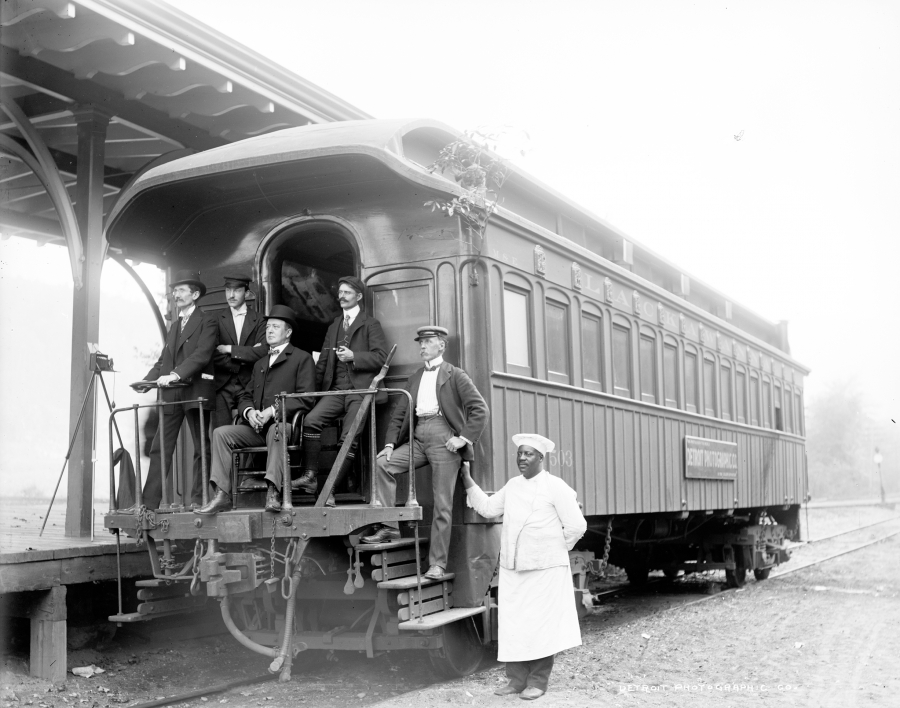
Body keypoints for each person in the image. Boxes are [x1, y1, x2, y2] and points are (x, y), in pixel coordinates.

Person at [461, 434, 587, 701]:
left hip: (545, 570)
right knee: (514, 624)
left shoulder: (555, 486)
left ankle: (538, 681)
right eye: (519, 453)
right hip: (514, 569)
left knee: (541, 625)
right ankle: (516, 680)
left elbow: (577, 526)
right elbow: (487, 508)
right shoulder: (513, 486)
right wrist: (468, 479)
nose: (522, 458)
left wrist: (554, 549)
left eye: (528, 454)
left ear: (541, 458)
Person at [365, 326, 488, 580]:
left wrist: (462, 438)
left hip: (444, 438)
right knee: (382, 463)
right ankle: (389, 527)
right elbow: (400, 414)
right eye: (420, 342)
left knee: (442, 504)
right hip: (418, 437)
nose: (422, 346)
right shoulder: (416, 376)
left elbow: (480, 409)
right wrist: (389, 445)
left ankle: (437, 565)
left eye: (428, 341)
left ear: (441, 345)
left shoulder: (456, 375)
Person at [195, 305, 316, 514]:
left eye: (275, 327)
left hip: (284, 426)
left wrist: (272, 411)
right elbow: (244, 395)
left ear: (288, 332)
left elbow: (306, 398)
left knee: (276, 431)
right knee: (220, 433)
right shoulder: (260, 363)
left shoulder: (301, 358)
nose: (269, 331)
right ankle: (222, 495)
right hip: (257, 428)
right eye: (268, 327)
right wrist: (249, 412)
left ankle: (273, 492)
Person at [130, 270, 217, 511]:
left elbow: (202, 355)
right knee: (160, 447)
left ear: (195, 294)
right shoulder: (175, 326)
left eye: (180, 290)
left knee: (201, 447)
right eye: (174, 291)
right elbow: (163, 361)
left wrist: (176, 375)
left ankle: (199, 499)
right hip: (171, 394)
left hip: (195, 391)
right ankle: (148, 504)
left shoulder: (208, 321)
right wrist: (147, 382)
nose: (175, 295)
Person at [298, 276, 387, 507]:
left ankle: (330, 490)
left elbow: (381, 357)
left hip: (360, 392)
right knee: (311, 421)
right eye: (340, 293)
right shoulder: (334, 326)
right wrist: (312, 394)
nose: (341, 297)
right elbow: (323, 363)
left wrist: (354, 356)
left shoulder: (370, 324)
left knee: (348, 438)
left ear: (358, 296)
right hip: (336, 391)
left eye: (347, 292)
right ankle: (310, 478)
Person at [212, 274, 266, 428]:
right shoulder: (215, 319)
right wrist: (246, 356)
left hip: (249, 384)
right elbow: (213, 353)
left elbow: (263, 352)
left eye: (237, 290)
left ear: (247, 293)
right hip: (221, 386)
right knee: (220, 433)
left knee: (251, 431)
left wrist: (229, 349)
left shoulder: (260, 320)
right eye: (228, 290)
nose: (231, 295)